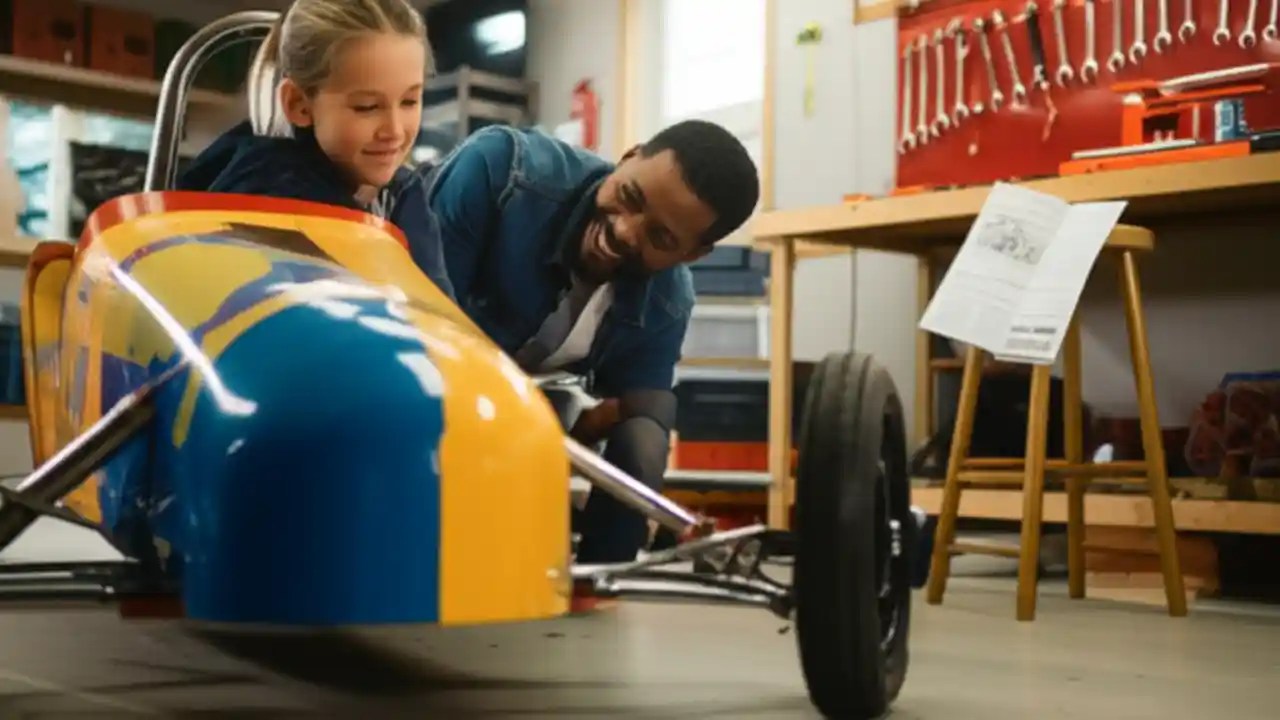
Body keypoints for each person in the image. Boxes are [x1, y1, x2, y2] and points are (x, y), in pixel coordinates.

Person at [424, 121, 760, 566]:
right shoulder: (501, 174)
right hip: (404, 381)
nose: (624, 231)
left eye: (660, 237)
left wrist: (604, 575)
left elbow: (639, 432)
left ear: (692, 255)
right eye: (631, 197)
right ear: (628, 157)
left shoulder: (668, 305)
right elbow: (417, 328)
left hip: (512, 401)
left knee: (645, 422)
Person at [176, 0, 454, 298]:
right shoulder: (272, 195)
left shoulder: (400, 190)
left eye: (410, 101)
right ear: (299, 105)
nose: (395, 131)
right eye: (367, 107)